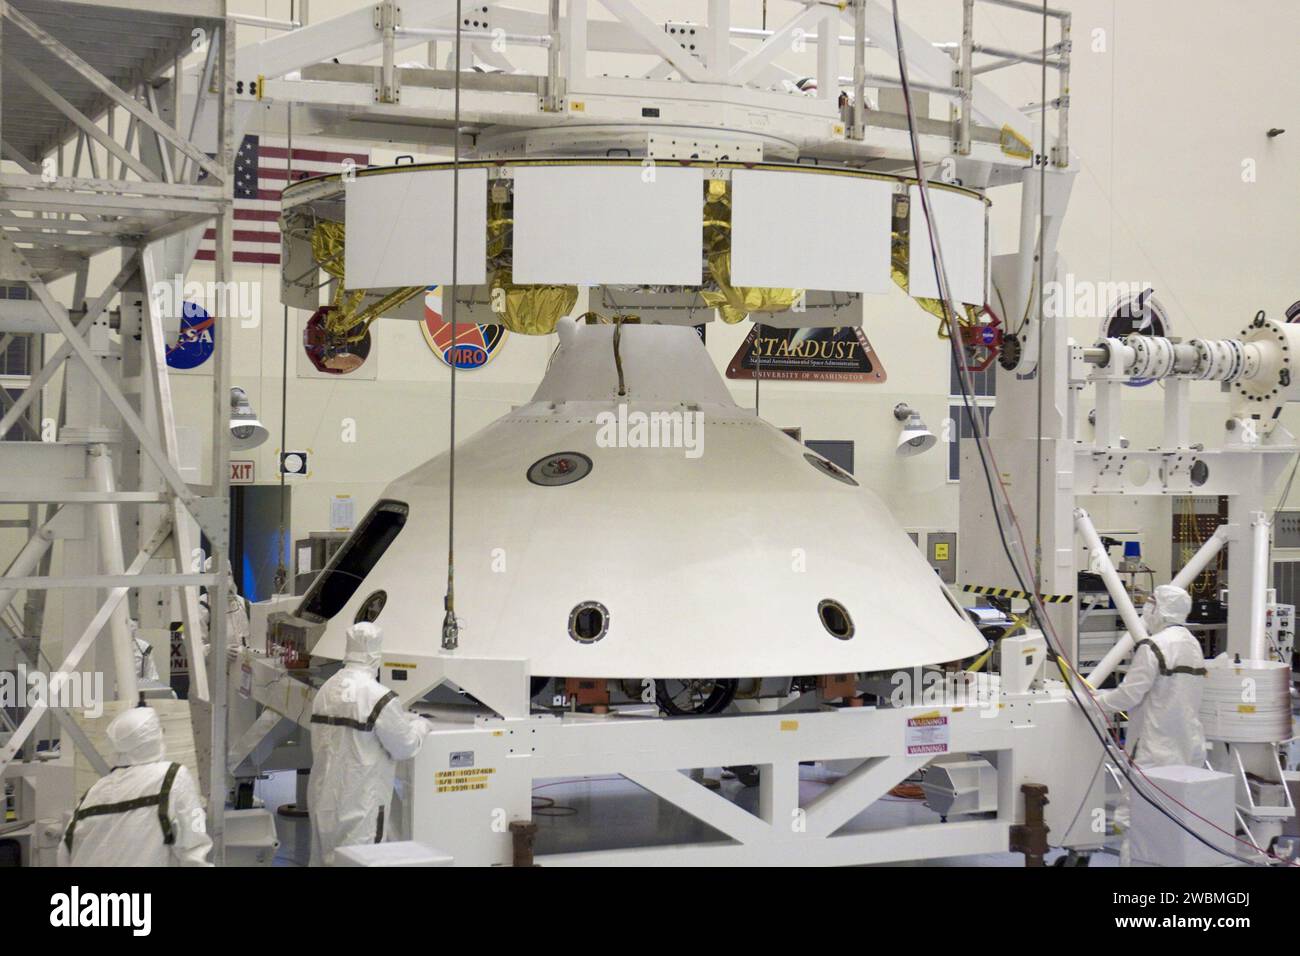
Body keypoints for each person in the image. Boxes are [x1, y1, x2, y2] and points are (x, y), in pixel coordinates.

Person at [308, 622, 431, 866]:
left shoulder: (325, 689)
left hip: (323, 796)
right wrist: (420, 725)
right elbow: (404, 746)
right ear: (376, 653)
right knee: (361, 860)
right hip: (361, 802)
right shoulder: (379, 697)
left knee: (325, 859)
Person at [58, 707, 212, 866]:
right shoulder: (172, 776)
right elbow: (193, 848)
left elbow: (65, 852)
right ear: (154, 740)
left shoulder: (95, 791)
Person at [1097, 584, 1207, 767]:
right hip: (1189, 746)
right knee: (1180, 795)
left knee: (1143, 795)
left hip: (1153, 749)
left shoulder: (1154, 646)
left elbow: (1128, 696)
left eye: (1151, 602)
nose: (1147, 608)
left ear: (1161, 608)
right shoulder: (1192, 644)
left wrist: (1095, 703)